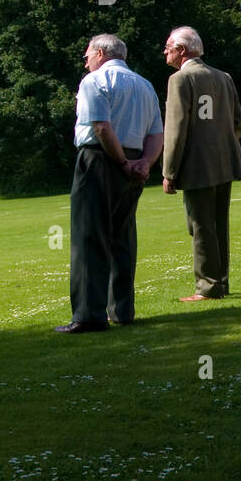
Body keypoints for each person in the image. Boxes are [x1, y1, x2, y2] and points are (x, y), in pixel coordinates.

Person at [61, 34, 163, 334]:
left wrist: (121, 163)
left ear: (101, 53)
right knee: (122, 236)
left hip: (100, 160)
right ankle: (122, 310)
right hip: (135, 162)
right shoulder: (145, 85)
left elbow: (102, 126)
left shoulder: (94, 82)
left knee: (89, 236)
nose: (86, 60)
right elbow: (157, 132)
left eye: (88, 54)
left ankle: (89, 315)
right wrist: (144, 163)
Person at [161, 26, 241, 302]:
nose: (165, 51)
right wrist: (220, 146)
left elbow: (176, 129)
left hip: (197, 164)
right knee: (218, 224)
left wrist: (168, 172)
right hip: (225, 162)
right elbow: (239, 123)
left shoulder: (180, 79)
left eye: (168, 47)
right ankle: (220, 282)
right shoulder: (224, 77)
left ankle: (208, 288)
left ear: (181, 50)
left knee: (200, 226)